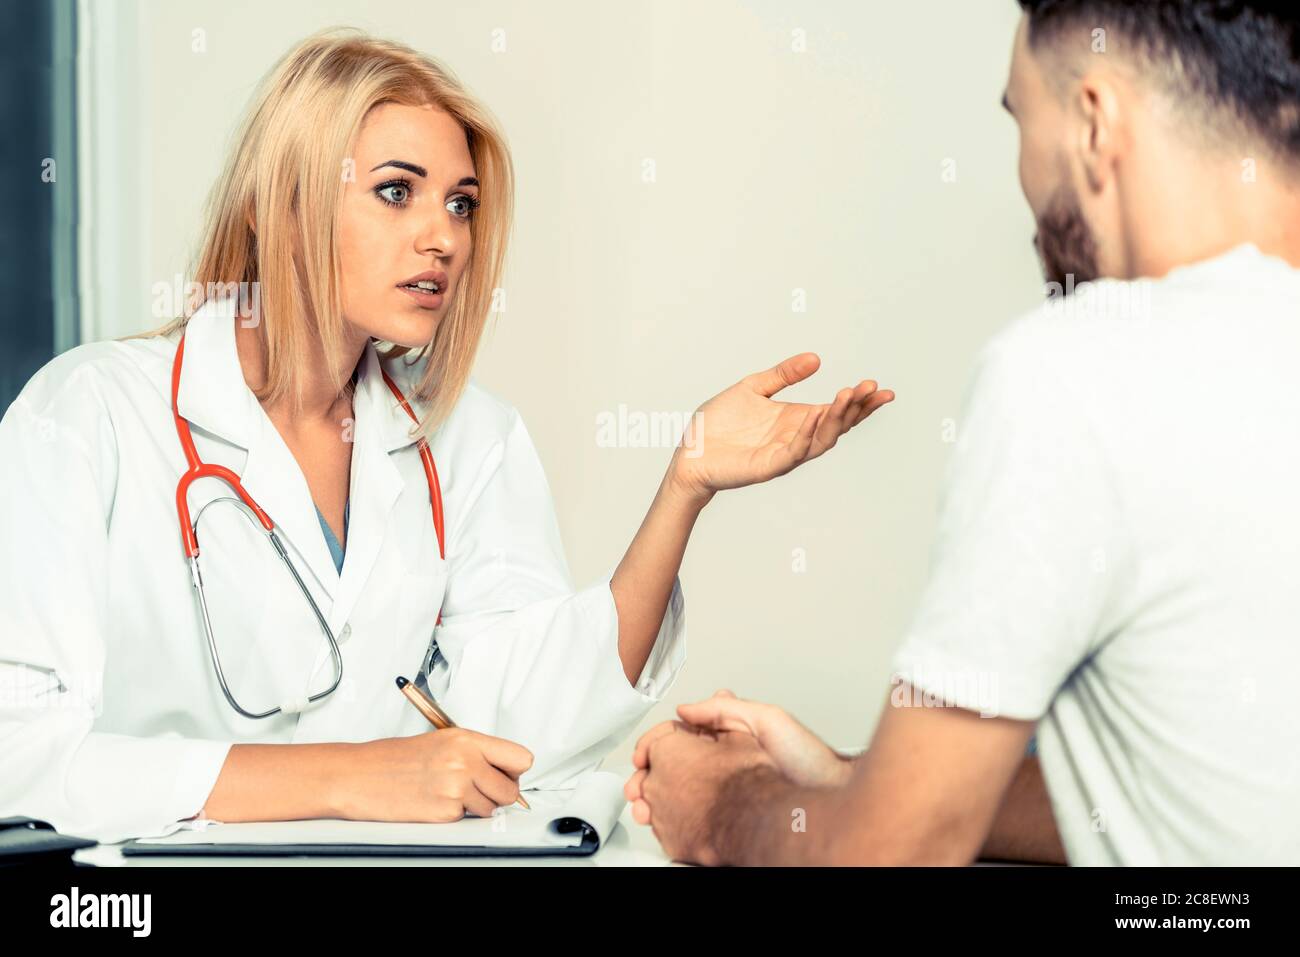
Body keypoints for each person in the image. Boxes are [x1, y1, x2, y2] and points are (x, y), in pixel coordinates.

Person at [0, 29, 894, 844]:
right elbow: (20, 748)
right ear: (286, 204)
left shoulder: (467, 438)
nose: (444, 239)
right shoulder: (87, 417)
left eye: (461, 205)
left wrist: (685, 486)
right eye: (397, 193)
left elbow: (525, 716)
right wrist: (351, 778)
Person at [627, 0, 1300, 866]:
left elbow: (887, 858)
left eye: (1023, 119)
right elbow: (1212, 797)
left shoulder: (1075, 371)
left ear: (1094, 122)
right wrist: (848, 777)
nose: (1021, 174)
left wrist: (719, 804)